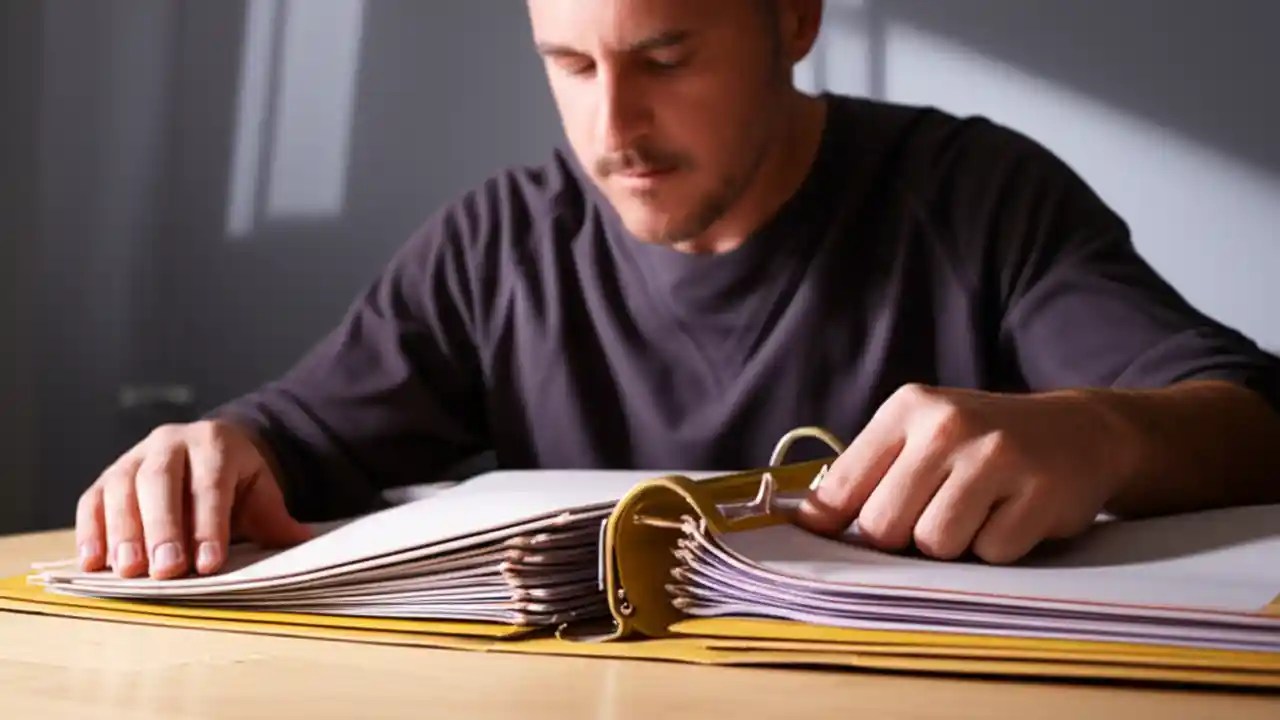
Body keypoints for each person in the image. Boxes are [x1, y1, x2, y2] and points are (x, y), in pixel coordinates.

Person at [75, 0, 1280, 581]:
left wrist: (1100, 433)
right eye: (568, 64)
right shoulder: (499, 242)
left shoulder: (974, 197)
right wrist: (213, 450)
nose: (613, 130)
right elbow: (293, 438)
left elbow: (1251, 415)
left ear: (791, 21)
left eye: (665, 59)